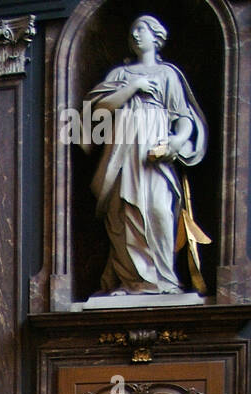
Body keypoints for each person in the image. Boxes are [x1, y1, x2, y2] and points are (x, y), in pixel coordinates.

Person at [87, 15, 206, 294]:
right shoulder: (120, 75)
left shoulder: (168, 75)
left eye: (141, 28)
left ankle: (164, 279)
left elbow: (183, 117)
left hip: (155, 156)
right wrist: (133, 88)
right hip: (123, 154)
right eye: (133, 30)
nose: (136, 35)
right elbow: (98, 110)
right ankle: (134, 282)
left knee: (159, 211)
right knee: (125, 213)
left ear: (156, 35)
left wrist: (177, 141)